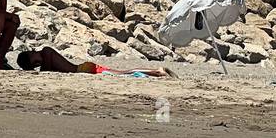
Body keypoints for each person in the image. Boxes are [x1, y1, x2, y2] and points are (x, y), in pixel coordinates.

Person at [16, 47, 173, 78]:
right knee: (121, 73)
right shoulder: (45, 55)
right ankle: (156, 71)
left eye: (34, 62)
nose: (37, 63)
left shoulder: (46, 52)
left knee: (123, 73)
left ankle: (157, 71)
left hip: (82, 69)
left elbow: (48, 71)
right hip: (83, 68)